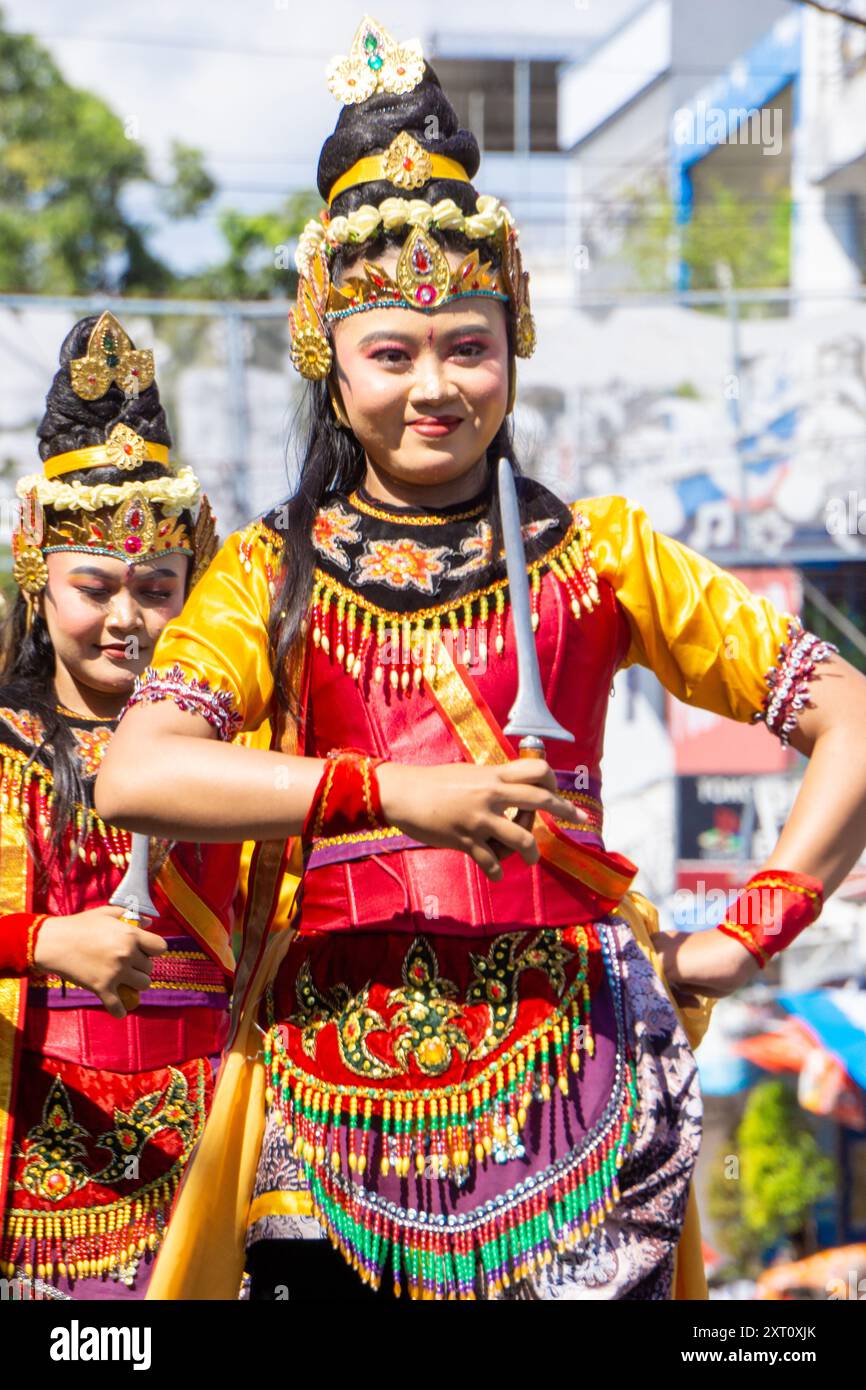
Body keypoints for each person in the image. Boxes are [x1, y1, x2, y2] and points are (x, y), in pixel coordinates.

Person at [96, 18, 866, 1302]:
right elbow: (140, 771)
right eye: (389, 353)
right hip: (326, 1107)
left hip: (579, 1081)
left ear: (513, 346)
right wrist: (396, 794)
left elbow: (846, 712)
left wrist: (748, 928)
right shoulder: (267, 571)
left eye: (468, 344)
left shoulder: (603, 552)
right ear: (328, 365)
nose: (432, 386)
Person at [0, 313, 242, 1299]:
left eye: (156, 587)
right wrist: (47, 941)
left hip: (216, 1157)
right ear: (38, 577)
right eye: (94, 586)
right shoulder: (5, 745)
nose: (126, 619)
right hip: (48, 1174)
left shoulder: (241, 751)